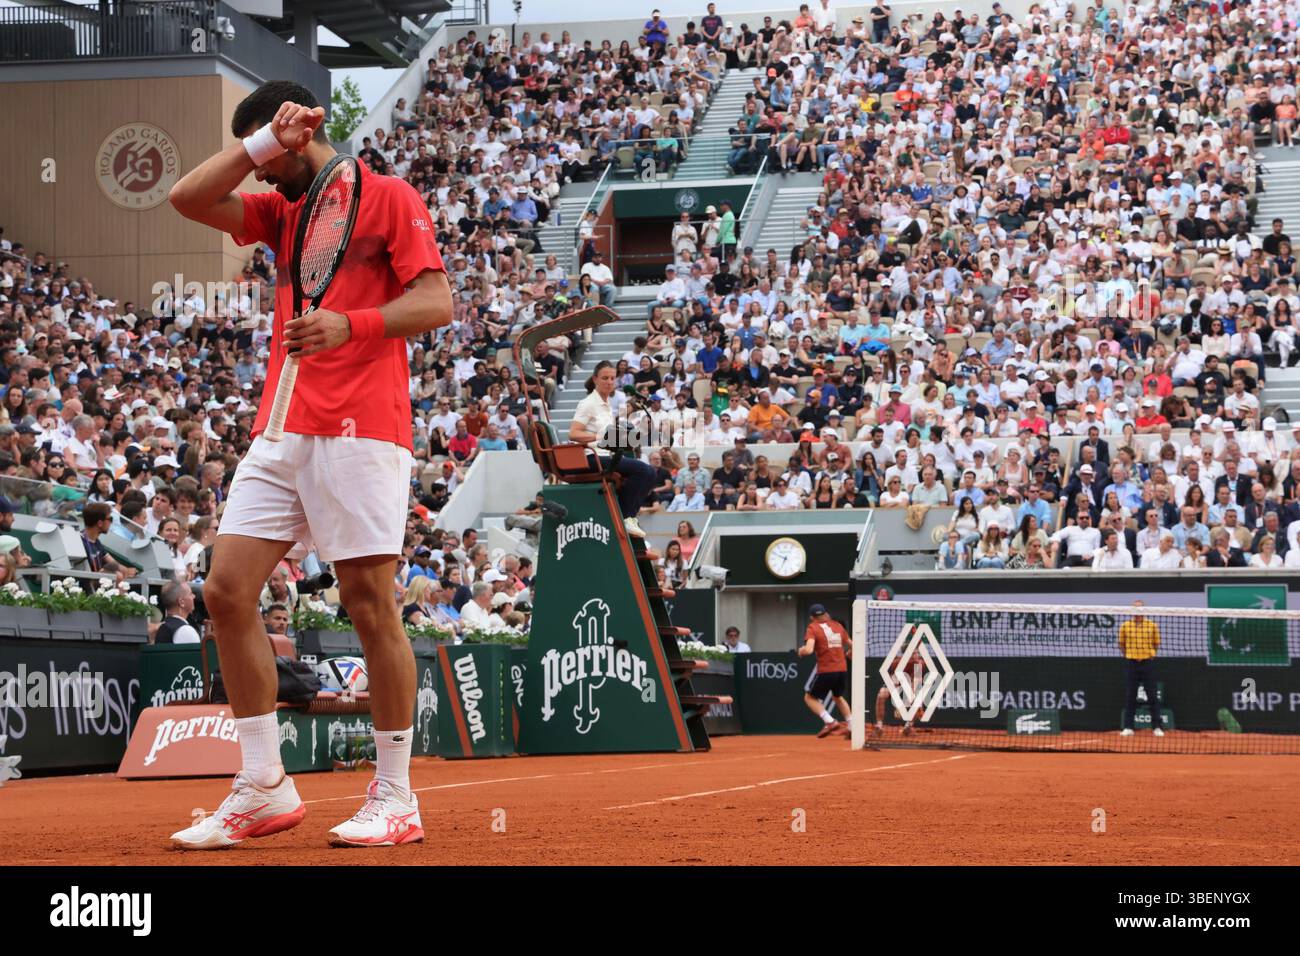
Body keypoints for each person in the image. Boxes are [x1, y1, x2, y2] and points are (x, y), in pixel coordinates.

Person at [167, 81, 452, 850]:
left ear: (302, 134)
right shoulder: (279, 211)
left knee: (368, 602)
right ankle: (262, 785)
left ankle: (395, 798)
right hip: (280, 426)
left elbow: (436, 302)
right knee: (225, 594)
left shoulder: (388, 195)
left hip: (362, 425)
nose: (257, 175)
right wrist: (268, 143)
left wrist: (350, 324)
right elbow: (187, 198)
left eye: (264, 152)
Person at [568, 360, 657, 538]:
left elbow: (607, 435)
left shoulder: (607, 404)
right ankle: (626, 516)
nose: (609, 382)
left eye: (612, 378)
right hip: (590, 457)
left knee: (650, 472)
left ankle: (628, 515)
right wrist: (599, 437)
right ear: (595, 379)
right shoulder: (588, 403)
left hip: (605, 454)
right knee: (643, 471)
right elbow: (574, 434)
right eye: (605, 378)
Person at [797, 604, 852, 738]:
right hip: (842, 669)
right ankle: (852, 726)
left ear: (812, 617)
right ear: (825, 613)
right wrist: (849, 654)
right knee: (837, 697)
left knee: (809, 697)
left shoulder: (813, 627)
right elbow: (853, 645)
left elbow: (809, 649)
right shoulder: (838, 626)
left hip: (827, 670)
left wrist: (801, 651)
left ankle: (830, 721)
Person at [1118, 600, 1165, 738]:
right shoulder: (1125, 626)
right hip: (1131, 663)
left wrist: (1148, 656)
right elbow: (1121, 644)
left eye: (1140, 609)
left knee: (1152, 696)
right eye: (1135, 609)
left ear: (1144, 610)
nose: (1138, 611)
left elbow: (1156, 644)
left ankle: (1156, 727)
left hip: (1147, 663)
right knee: (1130, 696)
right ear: (1132, 610)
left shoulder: (1152, 626)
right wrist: (1130, 655)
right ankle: (1128, 727)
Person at [153, 581, 201, 645]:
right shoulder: (185, 630)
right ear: (181, 602)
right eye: (190, 594)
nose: (194, 596)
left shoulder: (162, 628)